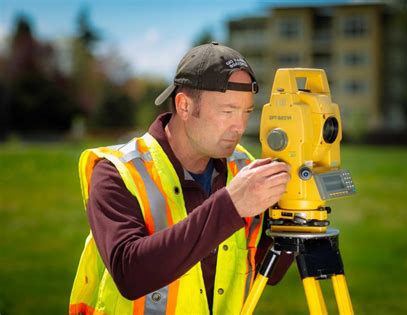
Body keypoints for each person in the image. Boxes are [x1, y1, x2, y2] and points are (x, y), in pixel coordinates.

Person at [69, 42, 293, 315]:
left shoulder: (242, 166)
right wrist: (231, 206)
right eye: (227, 111)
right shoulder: (117, 172)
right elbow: (129, 273)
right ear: (184, 106)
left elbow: (268, 270)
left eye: (246, 112)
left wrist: (294, 220)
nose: (240, 126)